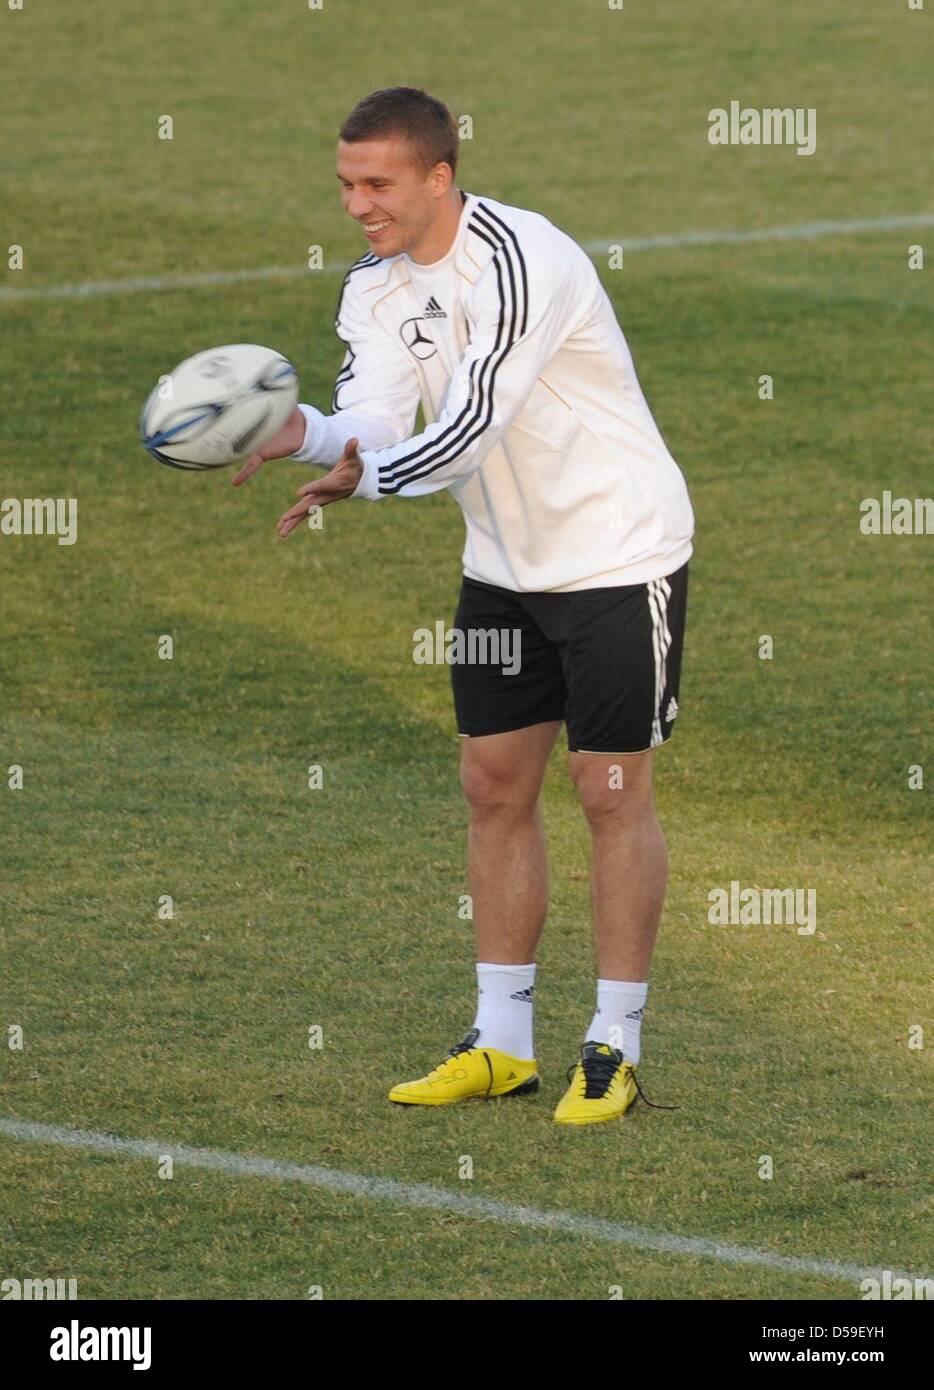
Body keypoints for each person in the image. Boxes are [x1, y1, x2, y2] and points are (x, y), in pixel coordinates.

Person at [233, 86, 694, 1125]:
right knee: (492, 784)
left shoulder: (527, 262)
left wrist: (365, 480)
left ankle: (613, 1043)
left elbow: (471, 426)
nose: (356, 204)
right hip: (504, 566)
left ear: (438, 177)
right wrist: (299, 430)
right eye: (346, 183)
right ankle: (502, 1040)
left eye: (376, 183)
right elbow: (375, 415)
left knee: (609, 789)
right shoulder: (376, 284)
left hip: (618, 554)